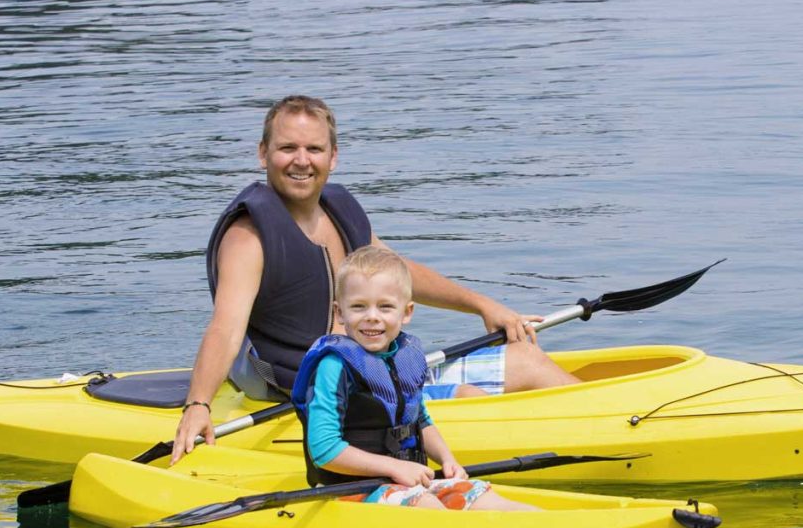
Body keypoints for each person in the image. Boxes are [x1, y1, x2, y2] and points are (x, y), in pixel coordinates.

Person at [171, 94, 579, 464]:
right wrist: (198, 405)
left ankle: (603, 419)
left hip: (375, 368)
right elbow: (226, 328)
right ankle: (604, 427)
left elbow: (397, 274)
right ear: (263, 154)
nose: (301, 160)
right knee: (476, 396)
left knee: (525, 359)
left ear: (333, 157)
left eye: (314, 148)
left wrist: (483, 306)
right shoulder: (250, 237)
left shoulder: (339, 210)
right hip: (326, 391)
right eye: (287, 148)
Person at [294, 247, 535, 511]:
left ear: (406, 312)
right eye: (358, 306)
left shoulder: (405, 357)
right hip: (348, 490)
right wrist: (396, 467)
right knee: (427, 505)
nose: (372, 316)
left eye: (385, 307)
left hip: (405, 480)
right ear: (339, 313)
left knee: (479, 494)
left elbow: (420, 421)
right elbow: (324, 450)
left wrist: (447, 459)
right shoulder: (333, 367)